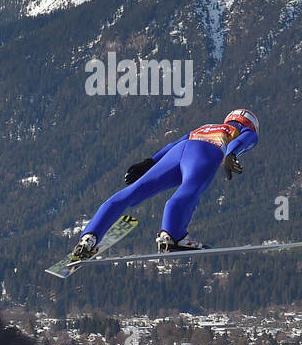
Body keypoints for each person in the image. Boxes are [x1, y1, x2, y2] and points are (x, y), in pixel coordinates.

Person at [71, 109, 259, 257]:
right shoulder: (242, 129)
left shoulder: (207, 126)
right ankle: (172, 235)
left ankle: (89, 237)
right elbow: (246, 139)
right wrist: (231, 154)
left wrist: (149, 163)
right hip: (207, 152)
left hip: (179, 150)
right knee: (189, 190)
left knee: (133, 192)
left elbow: (175, 143)